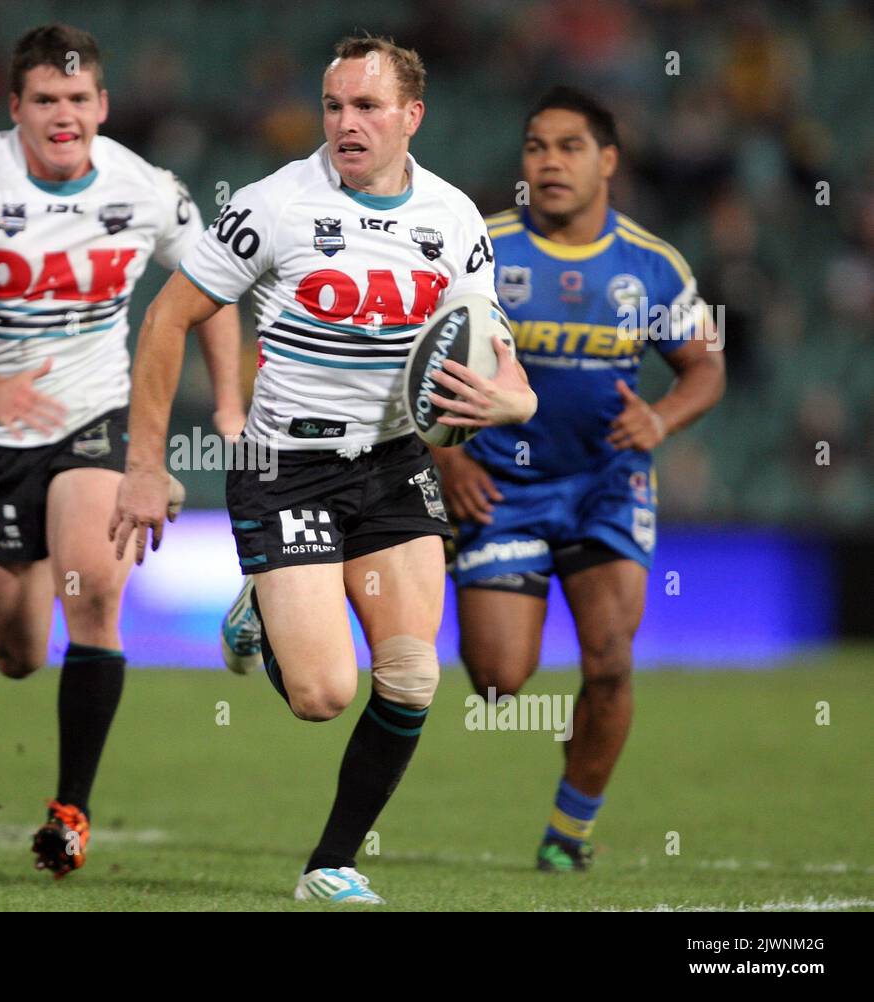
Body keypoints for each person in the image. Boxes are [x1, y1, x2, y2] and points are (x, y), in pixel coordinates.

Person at [111, 35, 535, 903]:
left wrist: (515, 405)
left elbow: (495, 356)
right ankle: (266, 608)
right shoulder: (274, 206)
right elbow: (166, 320)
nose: (346, 122)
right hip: (286, 467)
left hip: (390, 466)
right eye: (335, 105)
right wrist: (145, 466)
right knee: (322, 695)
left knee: (412, 675)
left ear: (411, 116)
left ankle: (330, 865)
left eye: (368, 107)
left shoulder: (456, 219)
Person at [0, 24, 245, 878]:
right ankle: (48, 545)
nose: (64, 115)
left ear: (103, 106)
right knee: (18, 655)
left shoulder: (145, 187)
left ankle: (70, 812)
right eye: (45, 99)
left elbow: (216, 291)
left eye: (79, 100)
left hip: (94, 416)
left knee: (93, 591)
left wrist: (230, 402)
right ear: (16, 108)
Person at [435, 87, 725, 872]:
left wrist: (661, 421)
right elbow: (423, 361)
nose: (550, 161)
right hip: (500, 486)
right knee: (498, 681)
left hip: (606, 483)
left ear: (608, 161)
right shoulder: (481, 249)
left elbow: (705, 367)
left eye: (569, 146)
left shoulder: (653, 265)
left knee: (611, 660)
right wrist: (449, 455)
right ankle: (578, 729)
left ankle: (569, 833)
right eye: (536, 146)